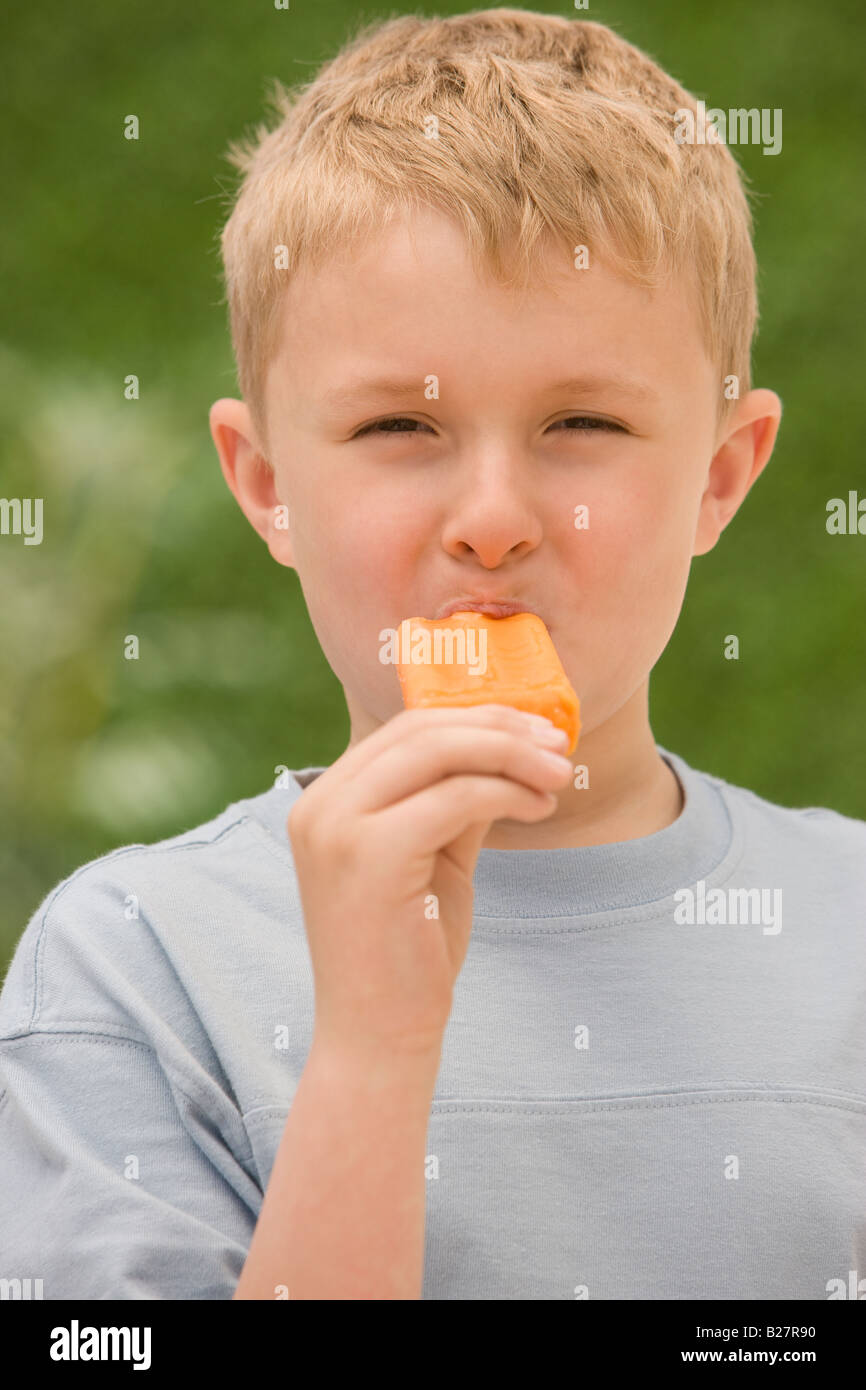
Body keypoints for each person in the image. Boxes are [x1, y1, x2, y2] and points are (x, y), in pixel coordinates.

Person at [1, 9, 864, 1301]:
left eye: (582, 420)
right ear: (268, 483)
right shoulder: (132, 971)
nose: (494, 518)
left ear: (720, 474)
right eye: (401, 424)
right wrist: (366, 1055)